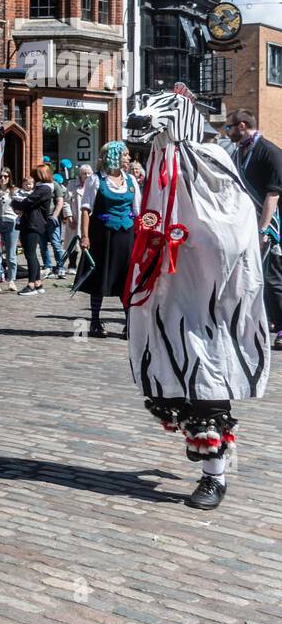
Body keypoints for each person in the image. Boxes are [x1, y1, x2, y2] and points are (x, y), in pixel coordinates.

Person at [126, 87, 270, 510]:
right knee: (168, 371)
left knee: (206, 377)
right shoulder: (159, 165)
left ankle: (214, 475)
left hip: (209, 297)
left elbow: (235, 226)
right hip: (167, 292)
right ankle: (198, 440)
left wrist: (189, 240)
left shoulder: (213, 162)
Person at [225, 109, 282, 349]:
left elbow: (273, 193)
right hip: (244, 223)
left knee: (272, 278)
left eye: (229, 127)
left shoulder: (269, 152)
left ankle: (280, 327)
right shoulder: (238, 152)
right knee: (245, 276)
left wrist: (263, 229)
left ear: (241, 126)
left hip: (268, 224)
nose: (226, 132)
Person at [78, 141, 139, 338]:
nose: (129, 158)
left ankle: (129, 323)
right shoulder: (96, 180)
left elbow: (137, 211)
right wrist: (85, 236)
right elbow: (86, 209)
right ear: (114, 156)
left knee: (126, 279)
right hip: (102, 235)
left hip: (126, 236)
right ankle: (95, 321)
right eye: (125, 155)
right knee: (100, 277)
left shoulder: (131, 181)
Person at [12, 163, 55, 297]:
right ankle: (37, 282)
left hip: (33, 224)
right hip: (31, 223)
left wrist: (13, 202)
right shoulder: (42, 188)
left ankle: (31, 284)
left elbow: (28, 202)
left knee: (30, 255)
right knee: (31, 254)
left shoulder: (43, 189)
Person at [0, 168, 19, 292]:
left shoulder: (14, 191)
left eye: (6, 176)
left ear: (9, 178)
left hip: (11, 222)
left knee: (11, 254)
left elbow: (21, 205)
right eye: (1, 176)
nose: (3, 179)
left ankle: (11, 280)